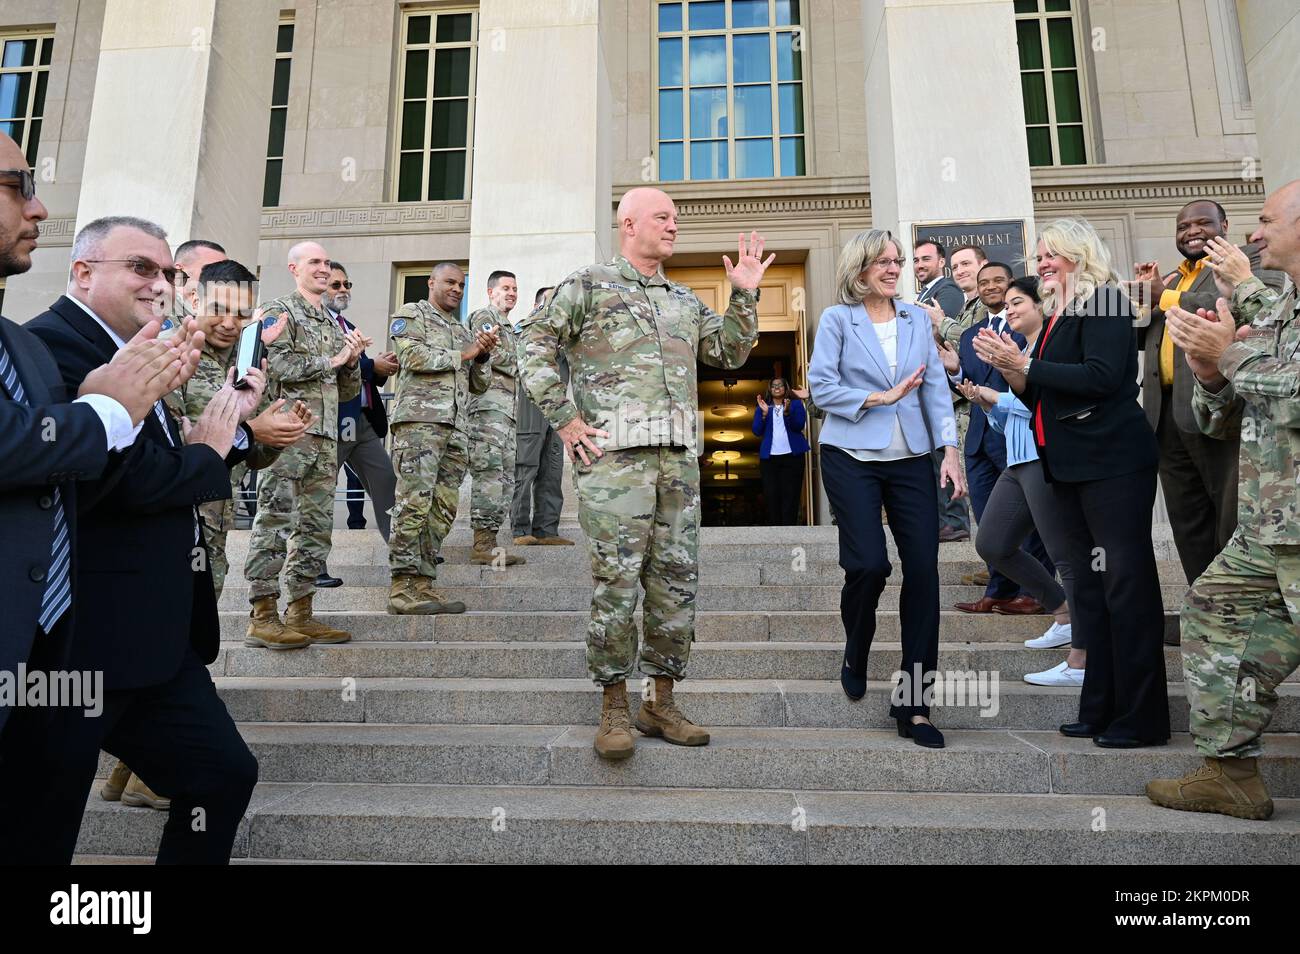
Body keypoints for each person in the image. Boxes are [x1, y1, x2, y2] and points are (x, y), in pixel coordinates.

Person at [19, 214, 261, 864]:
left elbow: (150, 459)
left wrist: (215, 441)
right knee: (41, 831)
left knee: (222, 775)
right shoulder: (54, 348)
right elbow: (123, 479)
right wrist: (208, 452)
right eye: (141, 267)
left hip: (155, 646)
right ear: (83, 272)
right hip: (77, 647)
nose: (160, 283)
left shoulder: (141, 347)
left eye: (168, 272)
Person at [519, 187, 770, 761]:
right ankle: (613, 704)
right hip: (615, 463)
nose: (674, 226)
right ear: (629, 223)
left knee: (676, 581)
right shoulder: (587, 284)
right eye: (664, 217)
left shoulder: (683, 299)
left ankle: (660, 700)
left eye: (676, 218)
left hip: (678, 463)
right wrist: (564, 419)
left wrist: (745, 296)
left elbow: (730, 354)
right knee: (617, 581)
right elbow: (530, 342)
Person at [975, 217, 1168, 748]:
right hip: (1070, 466)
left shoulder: (1104, 300)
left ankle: (1143, 718)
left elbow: (1106, 377)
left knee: (1126, 586)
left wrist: (1026, 367)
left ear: (1078, 256)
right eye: (1038, 258)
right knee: (1097, 589)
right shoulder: (1059, 315)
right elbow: (1045, 398)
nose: (1041, 266)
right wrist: (1015, 371)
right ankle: (1100, 708)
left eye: (1049, 256)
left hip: (1112, 463)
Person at [1146, 179, 1300, 820]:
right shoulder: (1282, 304)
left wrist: (1229, 347)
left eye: (1265, 221)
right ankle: (1229, 772)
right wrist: (1209, 373)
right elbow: (1228, 417)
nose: (1253, 235)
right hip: (1271, 523)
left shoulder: (1264, 297)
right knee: (1209, 615)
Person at [809, 228, 968, 750]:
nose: (894, 268)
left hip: (912, 459)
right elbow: (822, 386)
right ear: (859, 270)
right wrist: (879, 398)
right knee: (869, 565)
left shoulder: (917, 319)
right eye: (882, 261)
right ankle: (857, 642)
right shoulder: (837, 319)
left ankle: (915, 704)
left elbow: (937, 390)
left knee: (923, 571)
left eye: (897, 261)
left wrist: (949, 450)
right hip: (850, 453)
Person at [1130, 202, 1285, 622]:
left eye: (1203, 223)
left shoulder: (1247, 261)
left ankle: (1241, 617)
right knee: (1188, 523)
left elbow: (1235, 300)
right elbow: (1146, 333)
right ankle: (1206, 616)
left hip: (1220, 414)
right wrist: (1146, 300)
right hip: (1166, 418)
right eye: (1183, 226)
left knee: (1228, 517)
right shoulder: (1177, 277)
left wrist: (1163, 296)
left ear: (1225, 227)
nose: (1192, 231)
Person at [957, 277, 1082, 687]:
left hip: (1045, 457)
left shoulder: (1046, 348)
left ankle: (1083, 655)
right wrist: (984, 400)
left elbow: (1042, 402)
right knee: (992, 543)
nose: (1009, 311)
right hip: (1017, 458)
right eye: (1006, 305)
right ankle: (1061, 610)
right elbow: (1011, 413)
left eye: (1018, 303)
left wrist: (995, 397)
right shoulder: (1021, 350)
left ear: (1040, 306)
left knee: (1064, 553)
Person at [242, 242, 367, 648]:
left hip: (325, 436)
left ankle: (301, 611)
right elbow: (276, 366)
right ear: (294, 268)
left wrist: (351, 363)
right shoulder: (282, 311)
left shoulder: (332, 323)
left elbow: (345, 390)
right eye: (315, 262)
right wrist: (330, 361)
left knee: (315, 528)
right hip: (287, 434)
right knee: (276, 519)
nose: (323, 268)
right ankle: (262, 613)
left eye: (327, 262)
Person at [386, 262, 496, 615]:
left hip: (456, 429)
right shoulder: (412, 313)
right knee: (414, 504)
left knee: (442, 509)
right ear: (431, 282)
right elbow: (411, 356)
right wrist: (461, 355)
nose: (456, 290)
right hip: (419, 423)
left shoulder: (462, 330)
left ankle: (423, 582)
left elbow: (479, 385)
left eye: (462, 285)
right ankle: (401, 586)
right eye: (450, 282)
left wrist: (482, 355)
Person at [947, 262, 1051, 616]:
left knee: (1027, 521)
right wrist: (955, 370)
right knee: (990, 520)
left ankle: (1034, 592)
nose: (990, 287)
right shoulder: (969, 333)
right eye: (983, 282)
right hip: (979, 434)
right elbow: (969, 385)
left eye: (998, 281)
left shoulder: (1029, 326)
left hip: (1017, 435)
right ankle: (998, 589)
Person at [323, 261, 398, 586]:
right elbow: (332, 366)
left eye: (347, 284)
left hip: (363, 421)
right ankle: (311, 568)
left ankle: (405, 553)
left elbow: (358, 368)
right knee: (320, 494)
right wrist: (372, 365)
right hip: (332, 422)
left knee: (386, 483)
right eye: (336, 285)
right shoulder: (315, 324)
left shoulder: (347, 323)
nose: (343, 290)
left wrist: (378, 369)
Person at [467, 270, 525, 566]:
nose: (512, 293)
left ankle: (491, 540)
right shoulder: (483, 318)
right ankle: (482, 543)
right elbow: (491, 355)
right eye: (505, 288)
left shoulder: (510, 328)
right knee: (489, 472)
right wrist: (525, 363)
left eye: (515, 288)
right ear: (491, 292)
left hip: (506, 412)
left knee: (504, 477)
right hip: (487, 409)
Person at [511, 286, 573, 546]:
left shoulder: (565, 336)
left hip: (557, 409)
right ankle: (520, 529)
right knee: (526, 465)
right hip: (531, 403)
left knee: (553, 467)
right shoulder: (526, 329)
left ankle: (547, 529)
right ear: (538, 306)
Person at [752, 376, 808, 524]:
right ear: (769, 389)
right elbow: (757, 431)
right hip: (769, 459)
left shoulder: (796, 404)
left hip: (793, 457)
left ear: (786, 388)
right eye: (773, 385)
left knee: (791, 493)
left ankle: (789, 528)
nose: (777, 388)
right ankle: (776, 528)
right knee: (771, 493)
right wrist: (763, 414)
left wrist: (787, 412)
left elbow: (798, 426)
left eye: (780, 385)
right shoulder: (762, 406)